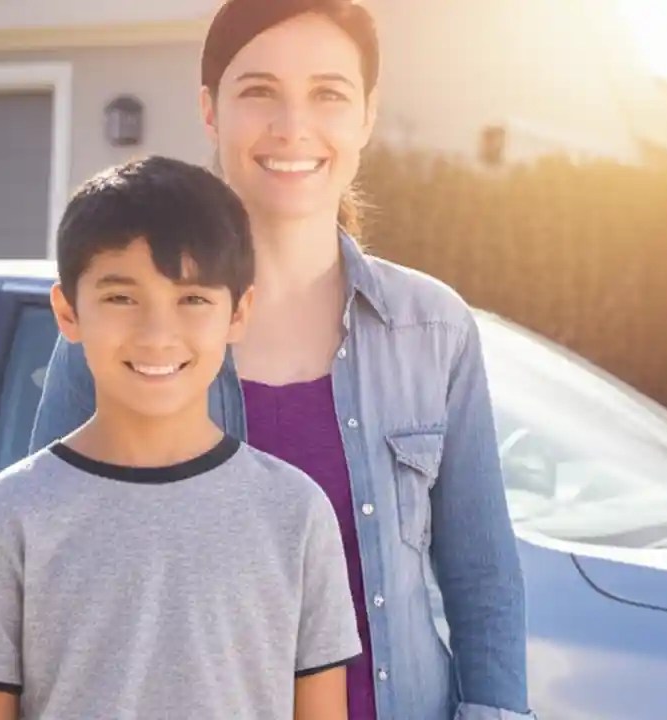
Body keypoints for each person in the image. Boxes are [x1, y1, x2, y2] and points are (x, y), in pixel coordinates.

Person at [30, 1, 534, 718]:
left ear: (366, 115)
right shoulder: (128, 337)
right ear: (210, 111)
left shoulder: (434, 330)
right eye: (259, 91)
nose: (293, 127)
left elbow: (484, 583)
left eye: (328, 93)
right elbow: (53, 578)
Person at [0, 156, 361, 720]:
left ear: (239, 312)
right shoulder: (11, 515)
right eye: (121, 297)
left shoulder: (295, 511)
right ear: (68, 311)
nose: (157, 335)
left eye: (193, 300)